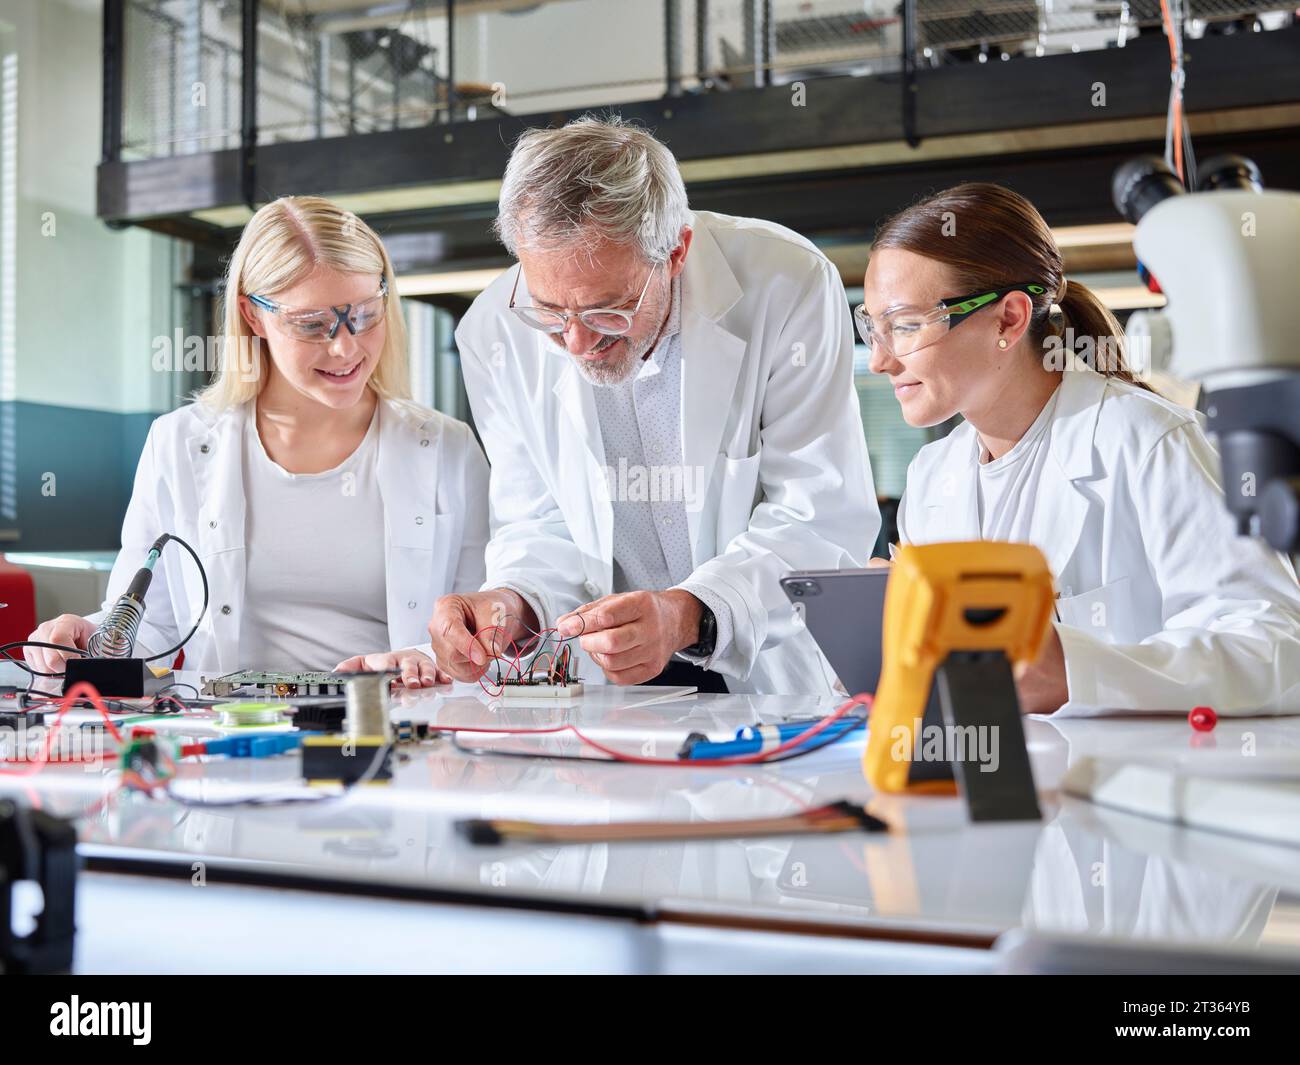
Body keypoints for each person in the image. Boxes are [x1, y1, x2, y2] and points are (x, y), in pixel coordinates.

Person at [428, 116, 879, 695]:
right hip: (600, 683)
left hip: (768, 669)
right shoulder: (494, 329)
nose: (576, 342)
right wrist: (509, 602)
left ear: (677, 252)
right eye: (549, 311)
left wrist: (688, 612)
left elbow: (820, 517)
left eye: (607, 310)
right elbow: (538, 521)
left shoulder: (785, 283)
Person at [862, 181, 1300, 714]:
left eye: (905, 326)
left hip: (1144, 783)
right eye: (874, 328)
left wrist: (1078, 671)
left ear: (1009, 319)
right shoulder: (933, 475)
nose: (880, 361)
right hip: (990, 779)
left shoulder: (1148, 441)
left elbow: (1275, 646)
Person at [25, 196, 488, 688]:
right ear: (253, 315)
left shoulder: (448, 450)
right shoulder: (178, 443)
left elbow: (474, 629)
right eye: (312, 324)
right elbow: (153, 627)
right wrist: (89, 635)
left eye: (367, 314)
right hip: (233, 733)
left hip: (391, 728)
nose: (346, 346)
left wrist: (420, 656)